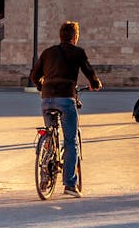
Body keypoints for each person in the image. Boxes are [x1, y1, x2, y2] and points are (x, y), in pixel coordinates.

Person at [30, 20, 102, 198]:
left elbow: (34, 75)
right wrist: (95, 83)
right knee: (70, 141)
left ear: (60, 36)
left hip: (46, 99)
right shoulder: (77, 52)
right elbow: (88, 71)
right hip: (66, 98)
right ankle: (70, 183)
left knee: (50, 133)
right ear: (75, 37)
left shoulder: (48, 52)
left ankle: (45, 176)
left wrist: (42, 87)